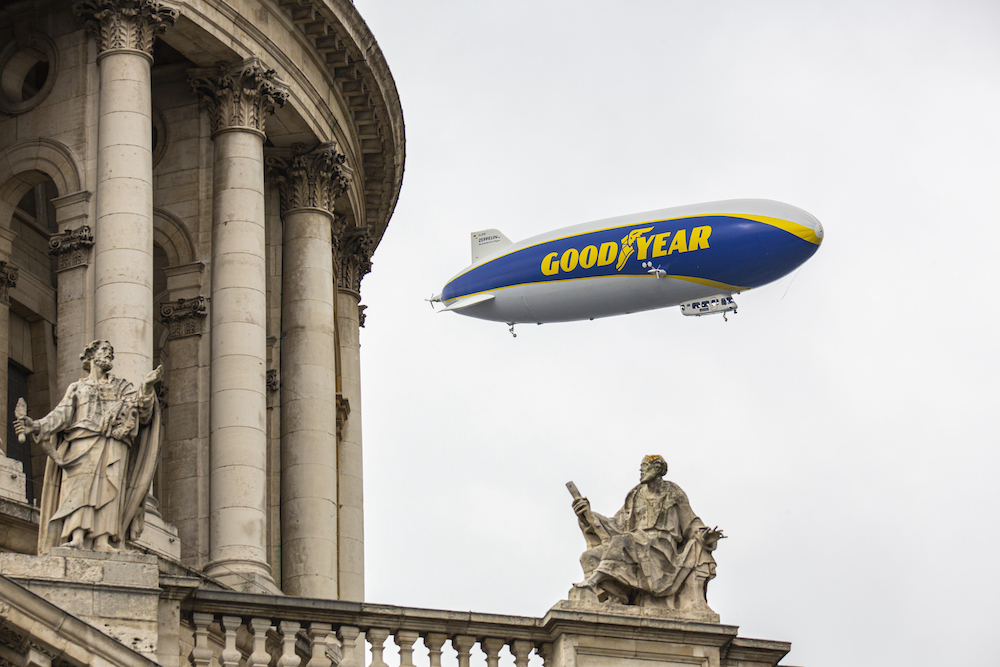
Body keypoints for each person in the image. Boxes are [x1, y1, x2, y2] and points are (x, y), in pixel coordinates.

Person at [14, 340, 162, 554]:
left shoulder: (122, 387)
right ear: (91, 356)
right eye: (104, 351)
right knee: (79, 489)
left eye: (111, 352)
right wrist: (35, 425)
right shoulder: (78, 387)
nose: (109, 355)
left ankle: (103, 540)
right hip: (82, 441)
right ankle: (76, 536)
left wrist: (147, 387)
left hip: (112, 443)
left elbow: (141, 411)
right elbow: (61, 415)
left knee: (110, 488)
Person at [572, 455, 724, 610]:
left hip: (661, 548)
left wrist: (706, 536)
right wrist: (589, 515)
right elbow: (617, 523)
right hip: (635, 544)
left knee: (624, 541)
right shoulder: (635, 494)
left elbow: (690, 523)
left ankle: (593, 581)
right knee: (590, 556)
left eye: (645, 466)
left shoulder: (673, 493)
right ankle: (613, 596)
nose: (641, 471)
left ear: (657, 469)